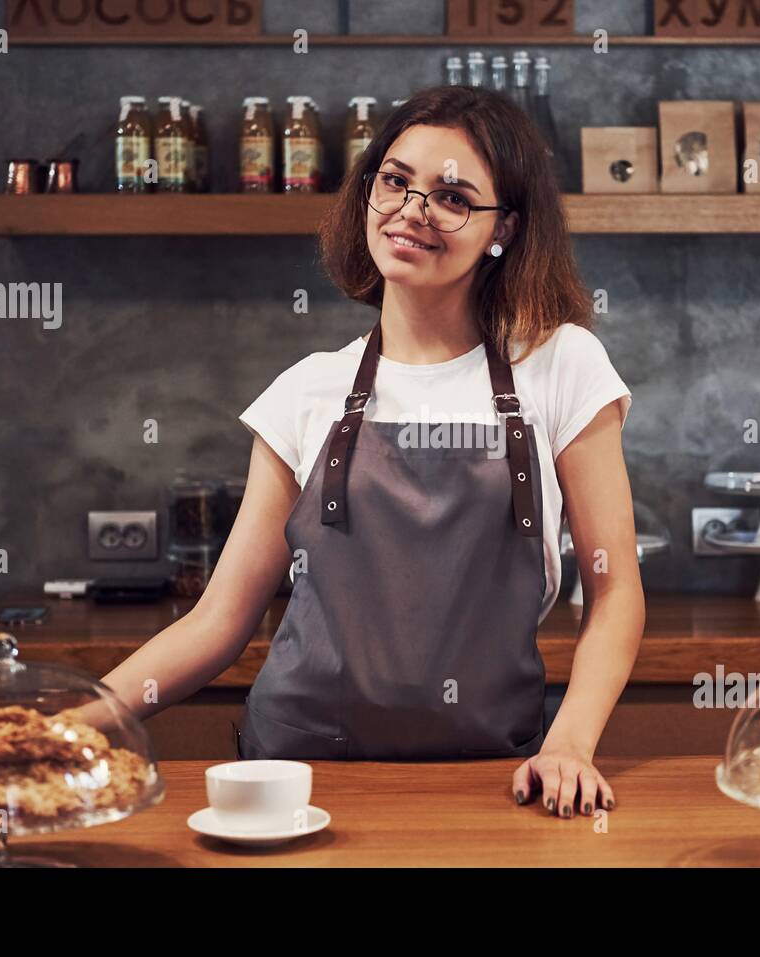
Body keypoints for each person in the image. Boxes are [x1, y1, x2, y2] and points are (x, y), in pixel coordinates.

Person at [103, 86, 644, 819]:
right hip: (299, 776)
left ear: (505, 229)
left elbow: (613, 591)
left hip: (496, 774)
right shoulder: (307, 391)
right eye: (395, 180)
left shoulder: (560, 364)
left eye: (453, 195)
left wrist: (571, 745)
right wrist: (78, 722)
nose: (413, 209)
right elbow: (218, 621)